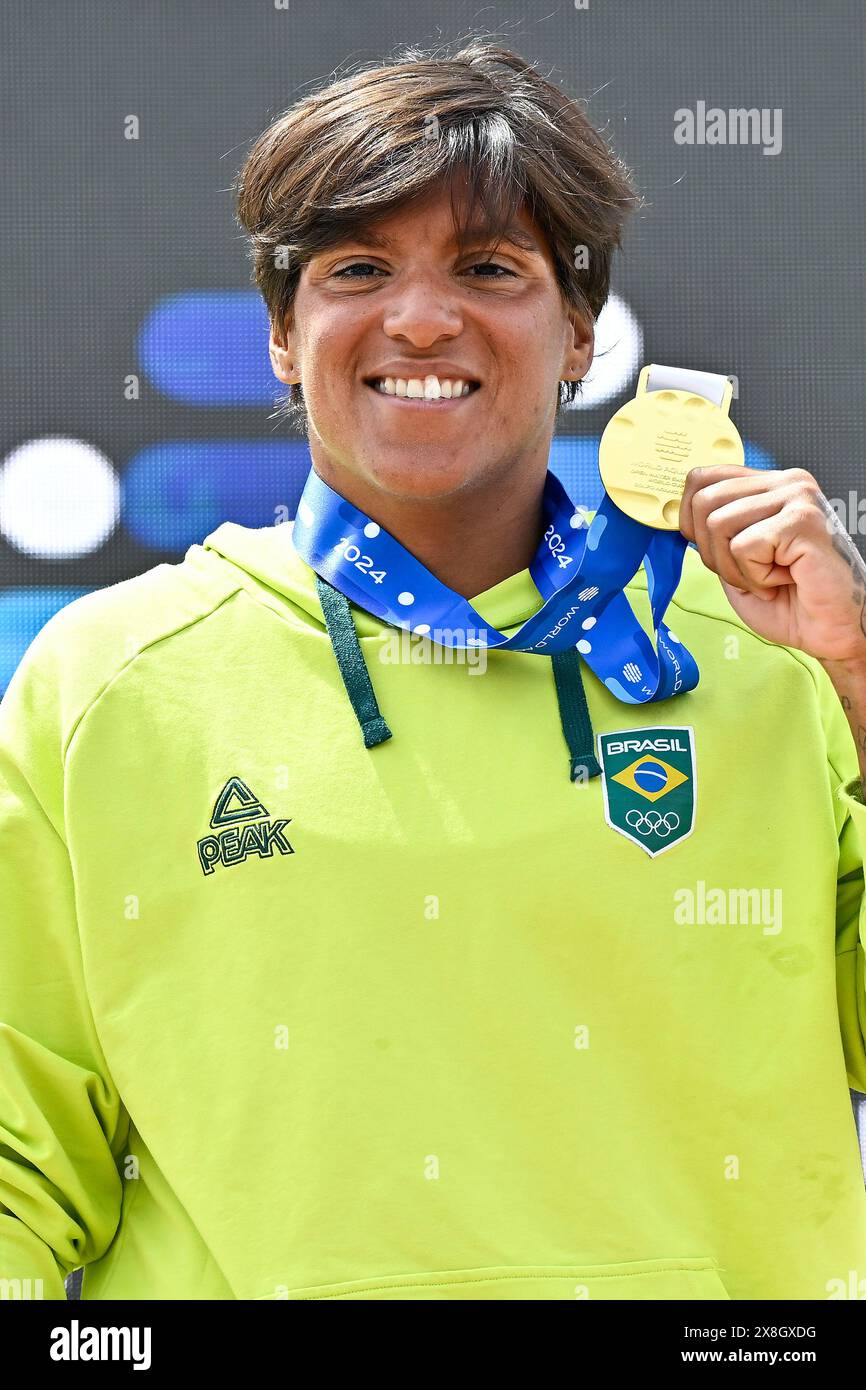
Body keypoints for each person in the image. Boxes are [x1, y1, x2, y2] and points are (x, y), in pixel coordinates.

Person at [2, 40, 866, 1304]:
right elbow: (20, 1159)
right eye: (356, 269)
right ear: (283, 339)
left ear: (577, 333)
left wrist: (852, 676)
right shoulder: (111, 680)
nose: (417, 317)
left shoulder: (765, 652)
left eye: (487, 268)